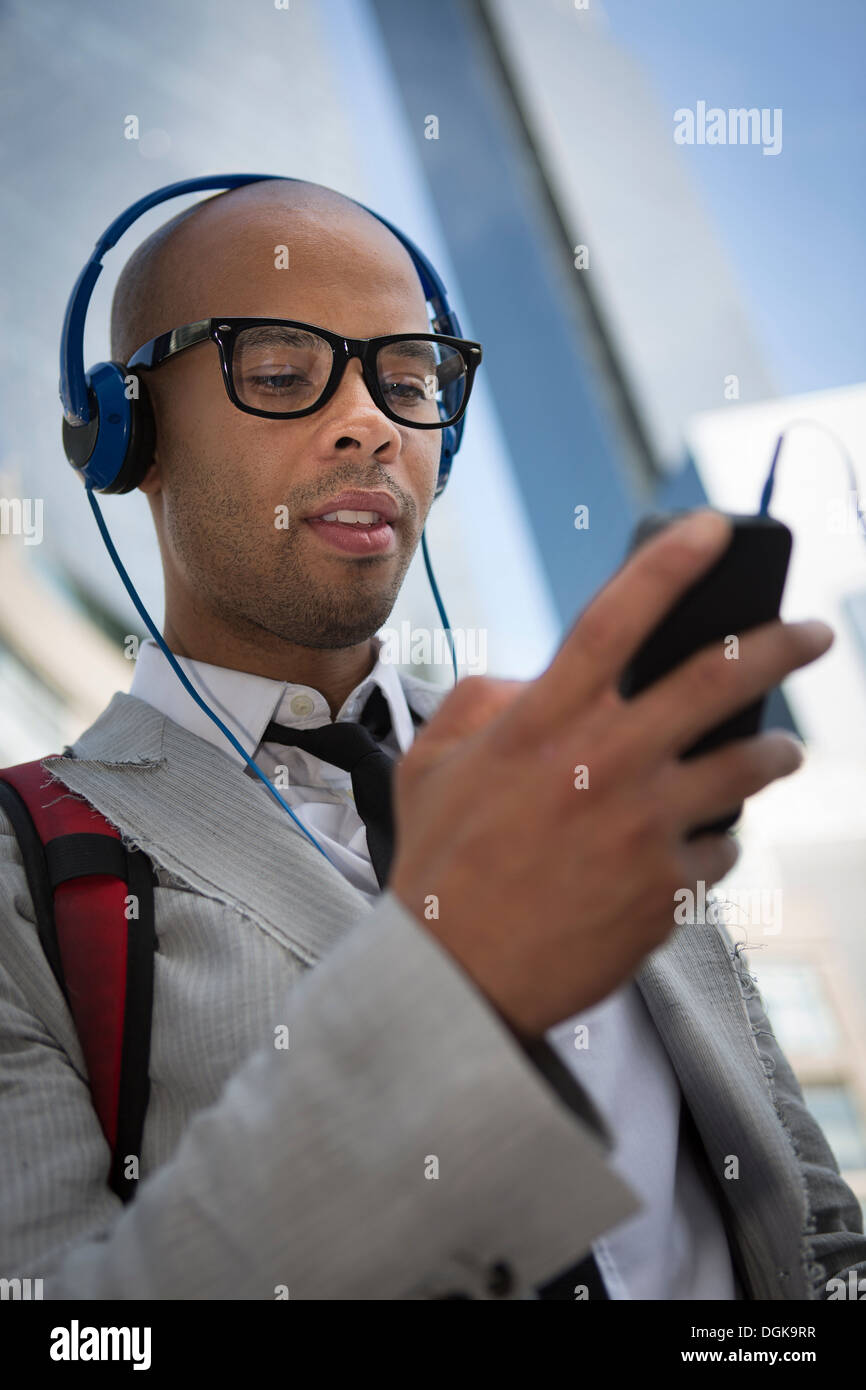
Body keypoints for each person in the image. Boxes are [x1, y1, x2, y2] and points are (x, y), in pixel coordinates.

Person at [1, 178, 863, 1301]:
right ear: (128, 435)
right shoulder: (23, 865)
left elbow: (804, 1228)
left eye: (408, 381)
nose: (371, 421)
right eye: (278, 373)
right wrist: (458, 992)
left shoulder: (579, 772)